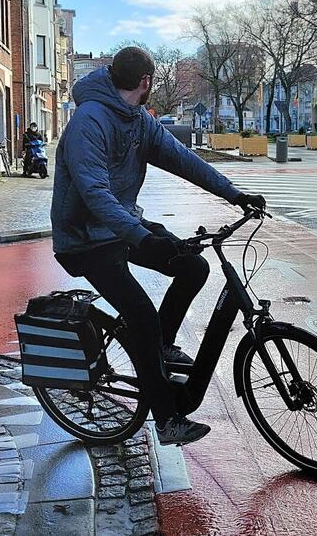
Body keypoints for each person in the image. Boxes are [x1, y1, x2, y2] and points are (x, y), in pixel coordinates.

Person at [51, 47, 265, 446]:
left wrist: (235, 195)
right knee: (142, 317)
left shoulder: (138, 121)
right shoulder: (89, 121)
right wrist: (141, 236)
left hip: (121, 228)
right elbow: (95, 194)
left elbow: (184, 160)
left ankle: (159, 350)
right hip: (84, 240)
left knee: (192, 267)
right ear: (146, 82)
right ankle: (167, 420)